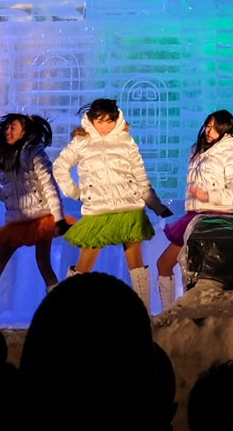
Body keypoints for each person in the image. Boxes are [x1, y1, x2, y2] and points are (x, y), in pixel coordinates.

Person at [53, 97, 173, 308]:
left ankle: (145, 313)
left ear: (116, 119)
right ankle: (66, 309)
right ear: (91, 119)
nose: (105, 126)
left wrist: (156, 205)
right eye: (100, 121)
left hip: (130, 208)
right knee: (84, 264)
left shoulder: (126, 141)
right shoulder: (81, 142)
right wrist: (76, 192)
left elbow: (140, 176)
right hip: (98, 209)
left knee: (136, 264)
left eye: (109, 121)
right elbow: (60, 167)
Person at [0, 111, 65, 319]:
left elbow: (50, 186)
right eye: (7, 127)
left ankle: (59, 313)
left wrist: (58, 218)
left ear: (25, 132)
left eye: (13, 127)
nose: (8, 131)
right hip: (17, 221)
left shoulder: (35, 153)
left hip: (41, 217)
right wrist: (3, 196)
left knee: (43, 264)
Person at [155, 107, 233, 311]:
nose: (209, 130)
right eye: (208, 125)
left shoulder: (232, 154)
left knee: (199, 273)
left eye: (215, 127)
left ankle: (195, 314)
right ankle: (169, 313)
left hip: (218, 220)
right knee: (167, 265)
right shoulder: (198, 150)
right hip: (195, 218)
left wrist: (207, 196)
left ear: (226, 130)